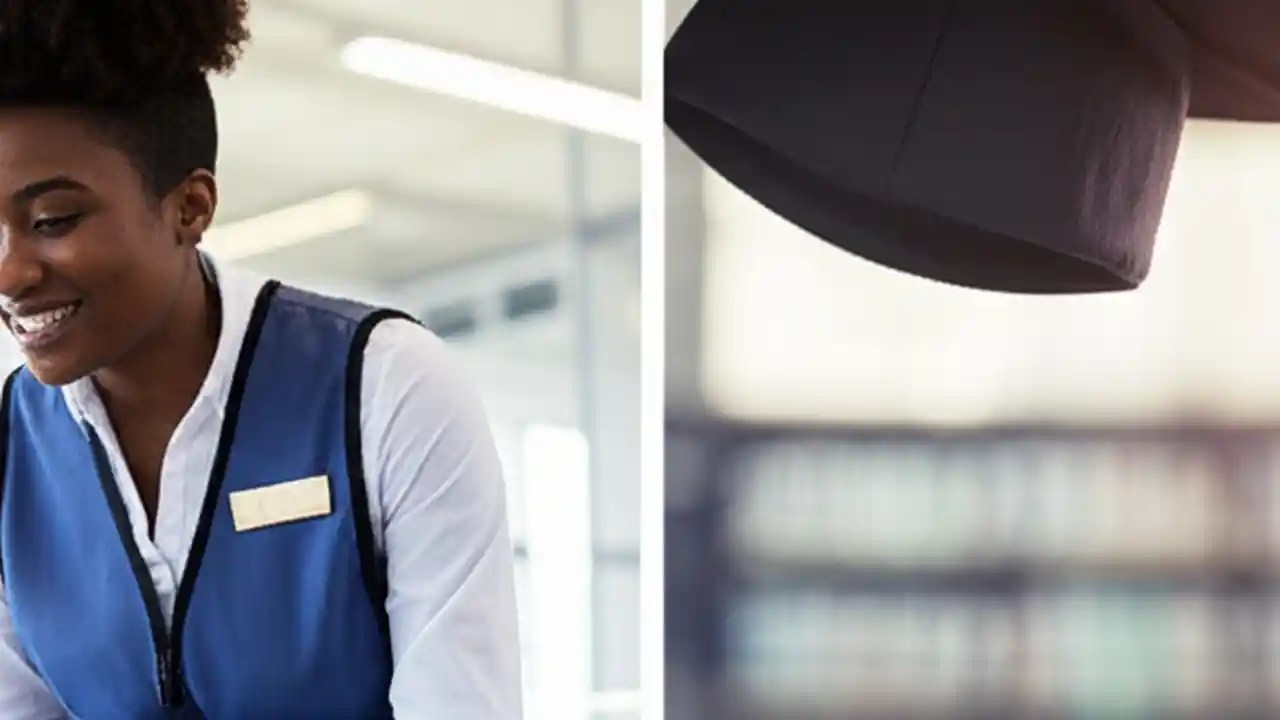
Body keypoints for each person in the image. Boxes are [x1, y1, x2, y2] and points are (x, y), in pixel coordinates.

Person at [0, 1, 522, 717]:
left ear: (190, 206)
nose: (9, 272)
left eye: (53, 221)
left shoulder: (382, 388)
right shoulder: (10, 447)